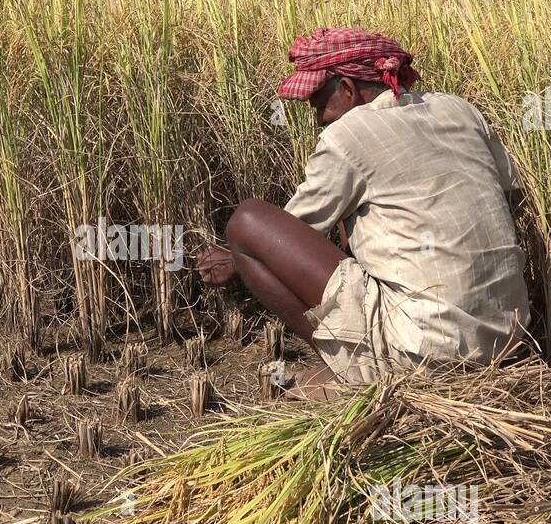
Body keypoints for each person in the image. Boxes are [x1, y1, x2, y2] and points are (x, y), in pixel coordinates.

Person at [197, 28, 530, 396]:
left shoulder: (348, 135)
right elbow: (508, 197)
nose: (316, 116)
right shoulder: (459, 110)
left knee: (247, 221)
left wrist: (235, 258)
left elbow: (283, 233)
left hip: (426, 349)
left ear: (348, 89)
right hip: (506, 339)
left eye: (317, 100)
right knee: (350, 219)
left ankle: (357, 373)